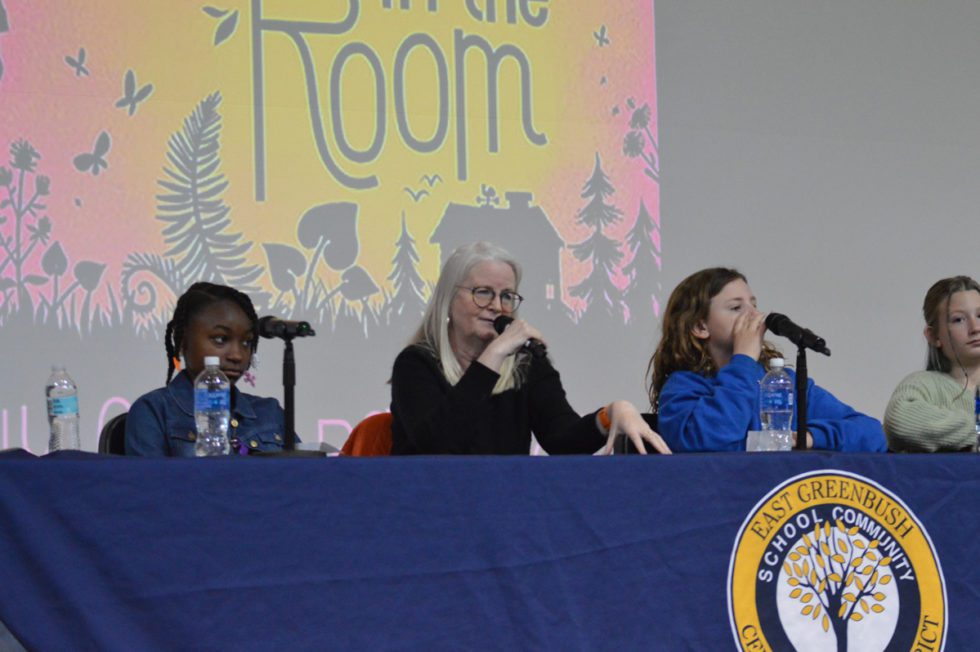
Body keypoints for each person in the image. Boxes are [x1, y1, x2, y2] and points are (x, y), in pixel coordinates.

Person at [390, 241, 670, 455]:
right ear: (448, 299)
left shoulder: (525, 364)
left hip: (503, 507)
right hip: (430, 511)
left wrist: (611, 414)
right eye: (483, 292)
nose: (498, 306)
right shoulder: (415, 364)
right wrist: (494, 354)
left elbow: (562, 440)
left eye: (507, 296)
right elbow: (439, 444)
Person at [647, 267, 886, 453]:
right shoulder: (683, 387)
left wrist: (810, 437)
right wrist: (743, 361)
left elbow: (872, 433)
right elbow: (710, 438)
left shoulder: (781, 382)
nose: (755, 316)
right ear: (700, 326)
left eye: (754, 304)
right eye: (736, 307)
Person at [126, 282, 289, 457]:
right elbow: (149, 483)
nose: (237, 355)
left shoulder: (270, 412)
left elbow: (307, 477)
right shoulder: (154, 411)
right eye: (220, 339)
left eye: (246, 342)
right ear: (182, 342)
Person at [884, 276, 980, 452]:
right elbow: (900, 419)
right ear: (934, 336)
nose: (975, 327)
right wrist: (976, 429)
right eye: (959, 320)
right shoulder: (923, 385)